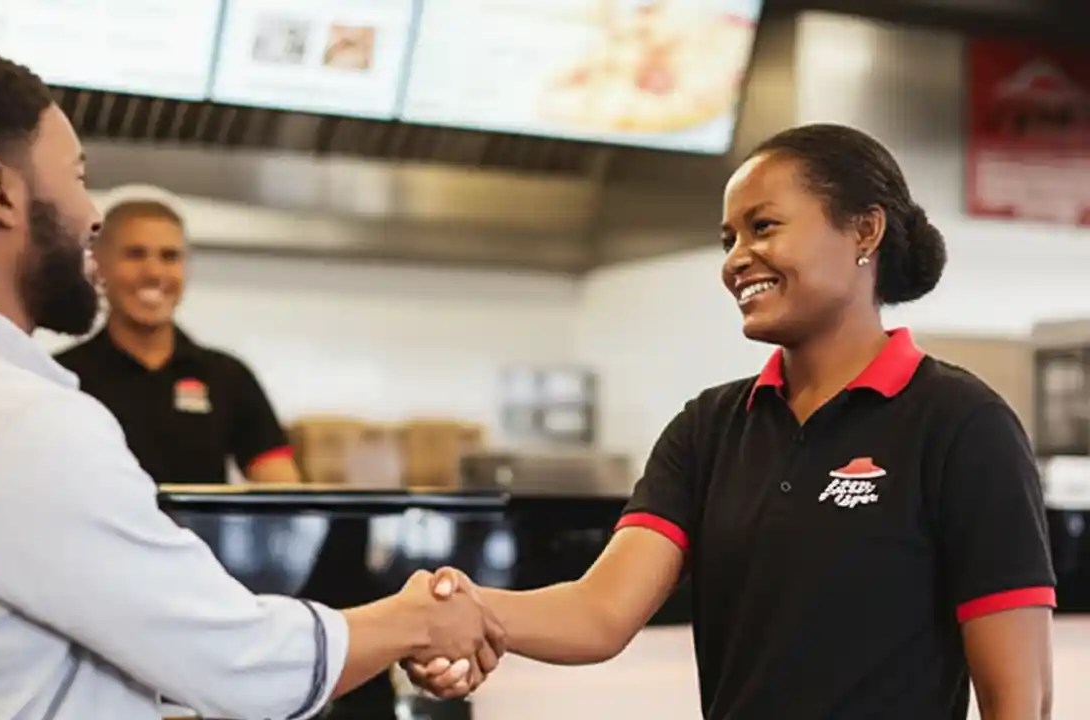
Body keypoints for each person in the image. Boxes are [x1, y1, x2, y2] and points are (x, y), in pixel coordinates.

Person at [0, 45, 502, 720]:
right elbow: (248, 666)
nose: (92, 217)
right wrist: (418, 618)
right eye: (77, 177)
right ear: (0, 192)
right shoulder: (22, 427)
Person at [409, 124, 1057, 719]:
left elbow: (1018, 701)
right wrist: (450, 609)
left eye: (763, 227)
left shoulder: (962, 424)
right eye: (730, 240)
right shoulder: (708, 429)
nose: (736, 260)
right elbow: (598, 612)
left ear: (865, 231)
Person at [55, 199, 299, 485]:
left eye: (169, 256)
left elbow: (284, 493)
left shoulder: (229, 377)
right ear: (98, 266)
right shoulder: (62, 379)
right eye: (135, 255)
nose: (153, 273)